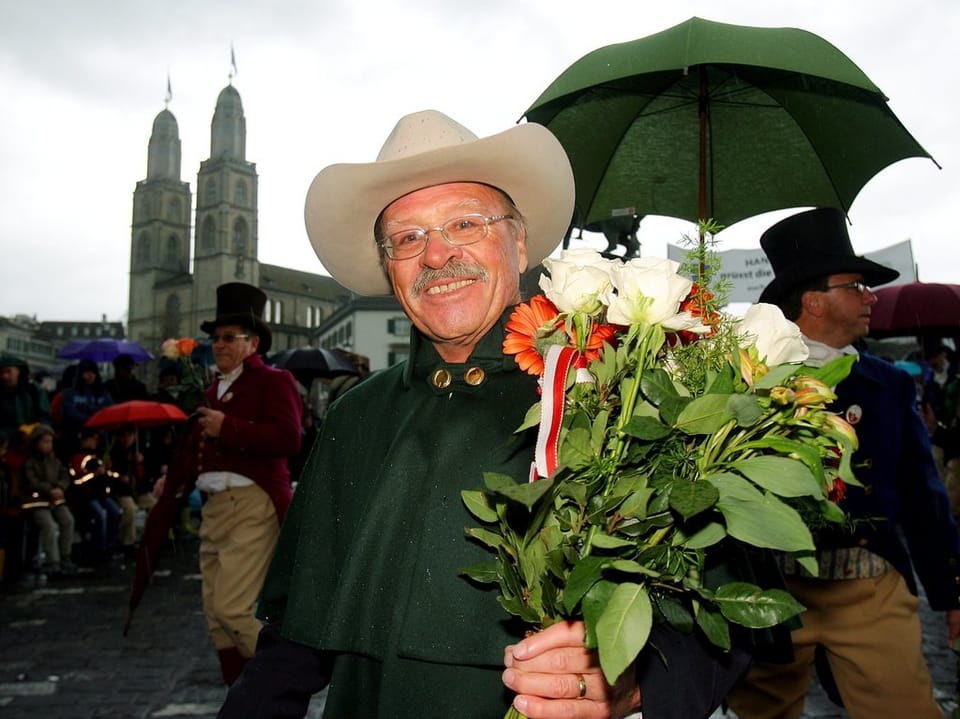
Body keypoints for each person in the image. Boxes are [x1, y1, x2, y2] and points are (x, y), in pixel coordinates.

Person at [219, 111, 751, 719]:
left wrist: (634, 683)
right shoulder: (354, 416)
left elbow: (726, 609)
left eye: (465, 224)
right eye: (408, 238)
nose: (437, 254)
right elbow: (294, 639)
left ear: (519, 242)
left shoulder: (612, 389)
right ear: (388, 268)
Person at [726, 208, 960, 718]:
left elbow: (923, 498)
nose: (870, 296)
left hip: (868, 588)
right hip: (773, 593)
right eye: (855, 285)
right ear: (812, 300)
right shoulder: (746, 382)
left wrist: (950, 592)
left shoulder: (890, 385)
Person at [169, 281, 302, 686]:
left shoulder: (274, 381)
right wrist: (170, 480)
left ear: (254, 343)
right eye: (215, 338)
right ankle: (242, 697)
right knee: (214, 614)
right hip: (213, 505)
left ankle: (279, 687)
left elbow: (289, 439)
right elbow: (202, 447)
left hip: (251, 502)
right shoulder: (211, 388)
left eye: (229, 337)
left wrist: (229, 426)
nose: (219, 345)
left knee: (233, 609)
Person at [22, 424, 77, 577]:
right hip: (37, 502)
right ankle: (53, 561)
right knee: (49, 525)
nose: (48, 445)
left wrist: (60, 488)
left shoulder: (55, 461)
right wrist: (49, 490)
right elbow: (32, 481)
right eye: (44, 441)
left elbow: (65, 476)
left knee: (68, 520)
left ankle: (65, 555)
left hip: (56, 500)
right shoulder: (30, 463)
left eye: (50, 441)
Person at [0, 352, 51, 472]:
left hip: (33, 445)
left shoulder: (34, 391)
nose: (4, 376)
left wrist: (33, 435)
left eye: (8, 371)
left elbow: (45, 418)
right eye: (1, 373)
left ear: (18, 371)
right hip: (7, 447)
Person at [60, 359, 113, 458]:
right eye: (87, 372)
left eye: (93, 372)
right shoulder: (70, 394)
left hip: (100, 440)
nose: (90, 375)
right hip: (76, 440)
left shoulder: (103, 394)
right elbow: (70, 413)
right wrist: (89, 420)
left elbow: (109, 411)